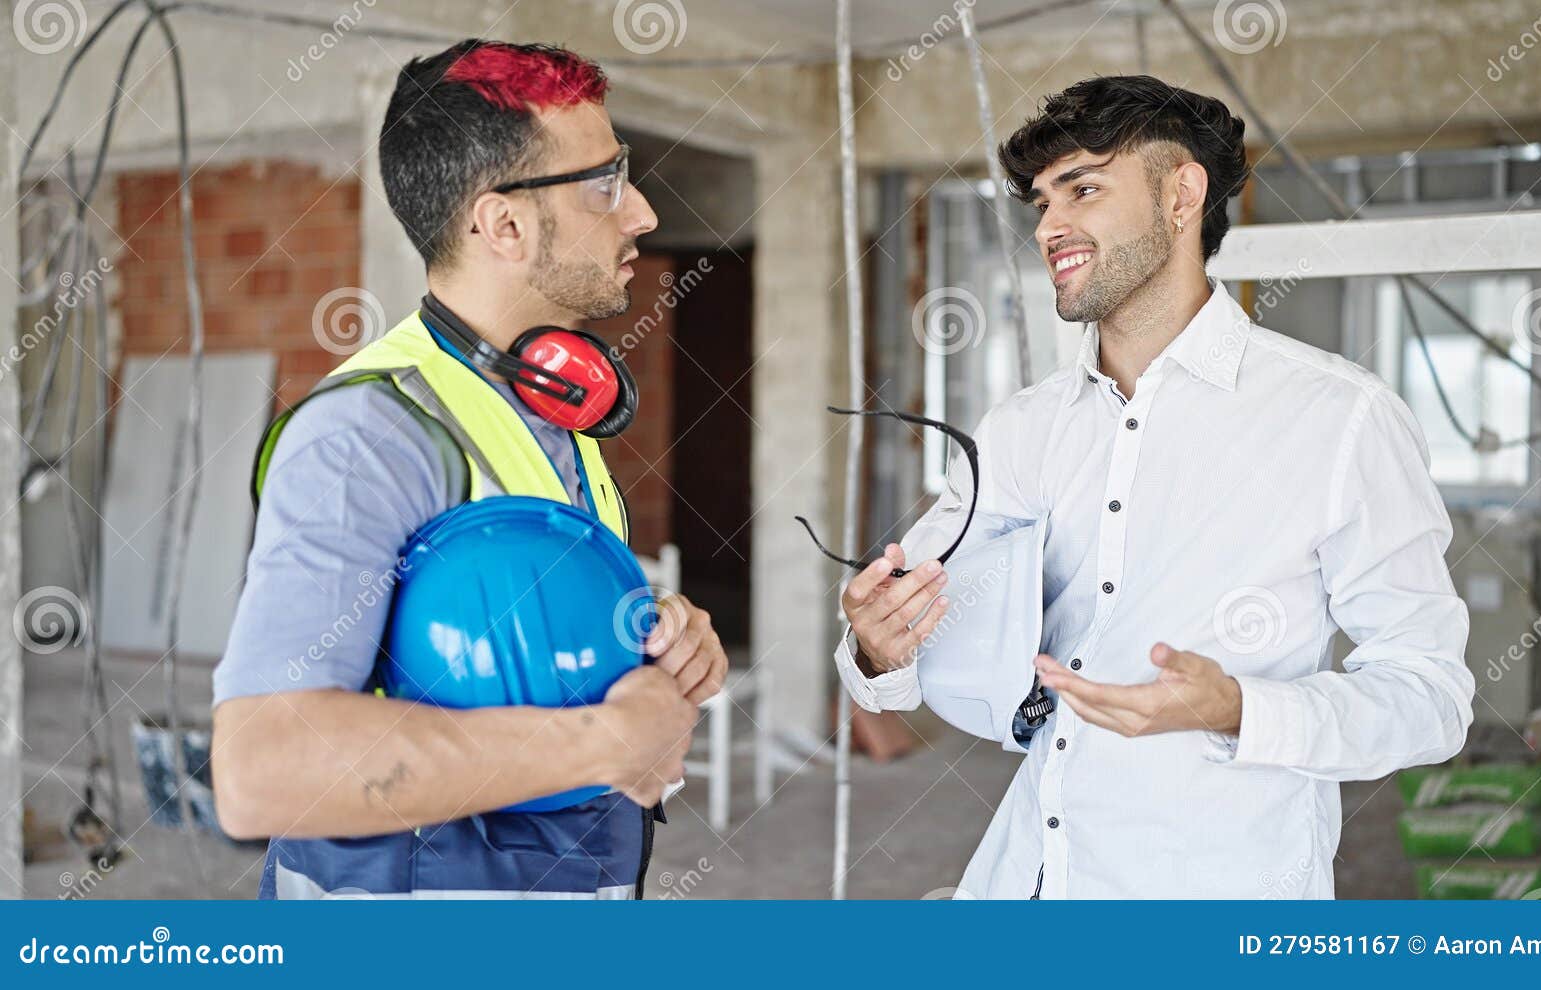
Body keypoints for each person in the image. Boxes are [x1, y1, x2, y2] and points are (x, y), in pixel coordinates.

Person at [835, 75, 1474, 899]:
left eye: (1084, 189)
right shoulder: (1022, 429)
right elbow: (905, 639)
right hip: (1023, 884)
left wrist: (1239, 708)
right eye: (1039, 203)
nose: (1049, 227)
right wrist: (879, 643)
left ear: (1182, 195)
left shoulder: (1340, 420)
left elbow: (1431, 699)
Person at [210, 39, 727, 899]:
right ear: (503, 224)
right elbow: (263, 767)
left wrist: (650, 637)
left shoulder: (550, 410)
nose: (638, 211)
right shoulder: (367, 434)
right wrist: (608, 742)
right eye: (604, 183)